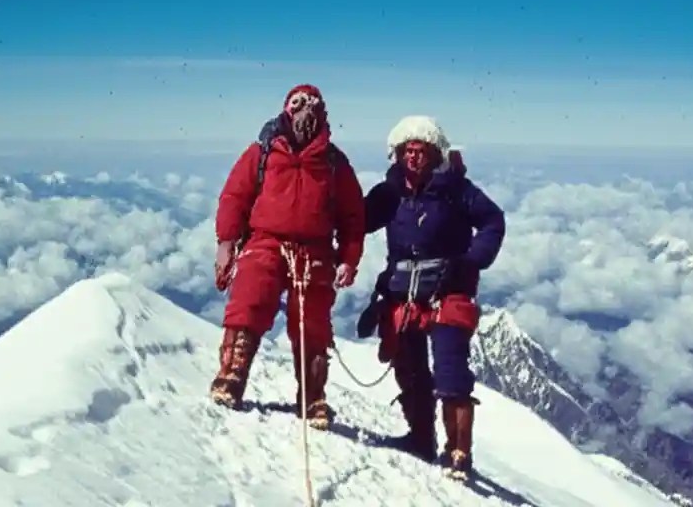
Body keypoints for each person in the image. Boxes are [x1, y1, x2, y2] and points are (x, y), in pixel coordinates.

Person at [209, 84, 366, 430]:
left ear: (322, 113)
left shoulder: (334, 164)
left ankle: (312, 396)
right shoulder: (262, 152)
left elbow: (353, 215)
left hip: (316, 249)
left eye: (312, 105)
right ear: (286, 110)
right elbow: (235, 196)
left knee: (312, 321)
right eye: (297, 103)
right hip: (265, 241)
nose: (304, 111)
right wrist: (227, 243)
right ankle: (231, 375)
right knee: (249, 299)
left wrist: (349, 258)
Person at [357, 115, 505, 480]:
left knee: (451, 373)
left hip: (447, 291)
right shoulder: (391, 192)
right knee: (409, 369)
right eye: (408, 150)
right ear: (397, 153)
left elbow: (492, 221)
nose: (414, 157)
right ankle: (421, 439)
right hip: (402, 293)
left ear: (435, 153)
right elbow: (356, 219)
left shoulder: (456, 189)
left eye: (421, 150)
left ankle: (458, 453)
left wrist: (472, 261)